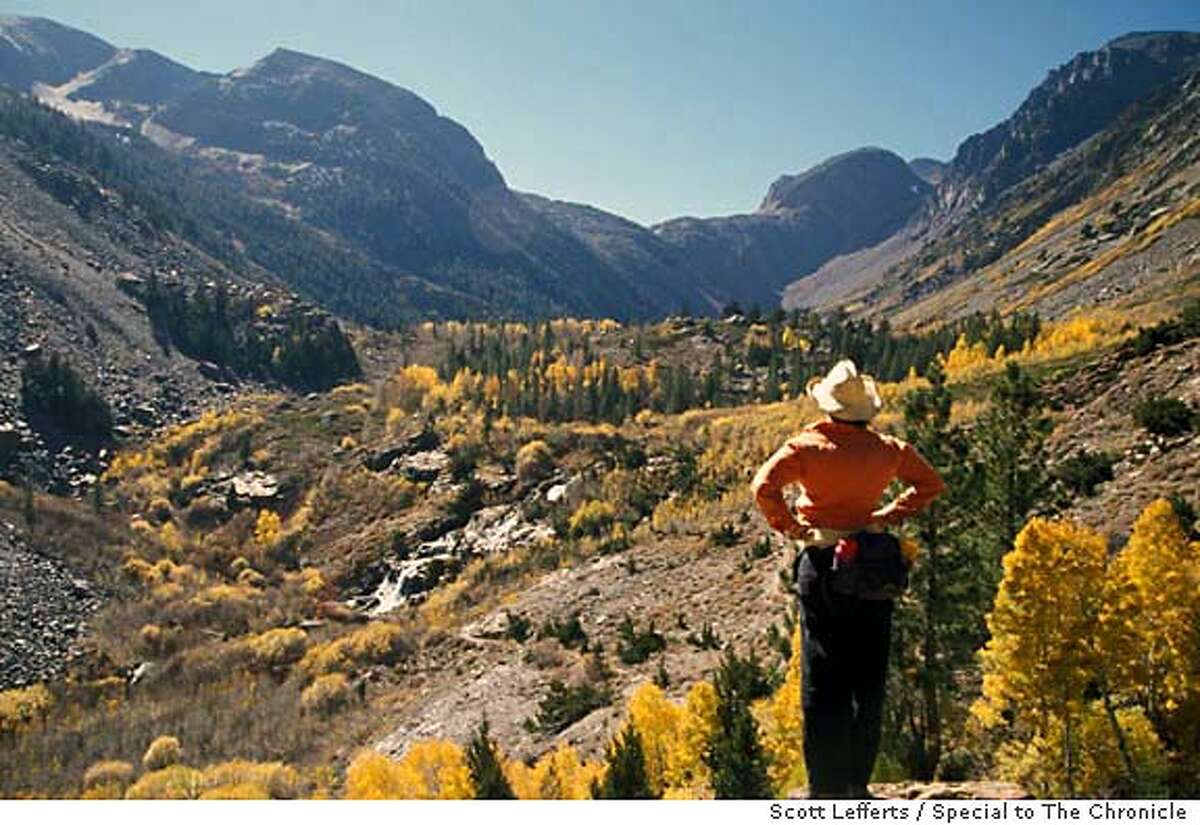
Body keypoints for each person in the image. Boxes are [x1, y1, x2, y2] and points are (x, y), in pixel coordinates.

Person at [751, 359, 945, 799]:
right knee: (868, 677)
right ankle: (857, 783)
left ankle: (825, 786)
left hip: (822, 561)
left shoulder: (807, 447)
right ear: (866, 412)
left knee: (823, 676)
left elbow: (763, 487)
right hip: (873, 562)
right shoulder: (889, 449)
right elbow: (930, 485)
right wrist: (887, 514)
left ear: (828, 407)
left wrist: (793, 528)